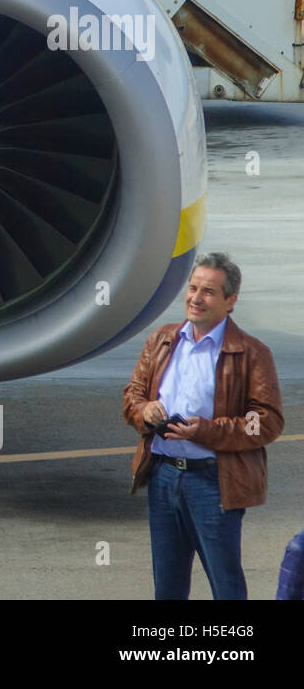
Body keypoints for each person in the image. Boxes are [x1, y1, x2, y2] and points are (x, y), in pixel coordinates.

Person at [122, 252, 284, 599]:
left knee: (225, 586)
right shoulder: (162, 340)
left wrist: (205, 430)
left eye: (208, 291)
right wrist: (145, 410)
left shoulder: (252, 353)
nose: (196, 298)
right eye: (193, 288)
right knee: (167, 586)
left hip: (213, 481)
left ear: (230, 301)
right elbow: (133, 394)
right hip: (163, 476)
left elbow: (265, 422)